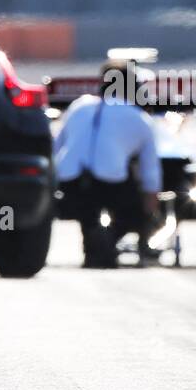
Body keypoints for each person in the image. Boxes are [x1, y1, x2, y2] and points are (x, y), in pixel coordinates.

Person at [54, 59, 161, 268]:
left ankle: (93, 246)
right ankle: (108, 238)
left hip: (69, 183)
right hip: (110, 184)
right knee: (134, 215)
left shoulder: (78, 107)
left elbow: (56, 148)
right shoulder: (139, 119)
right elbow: (150, 171)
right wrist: (150, 204)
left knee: (87, 214)